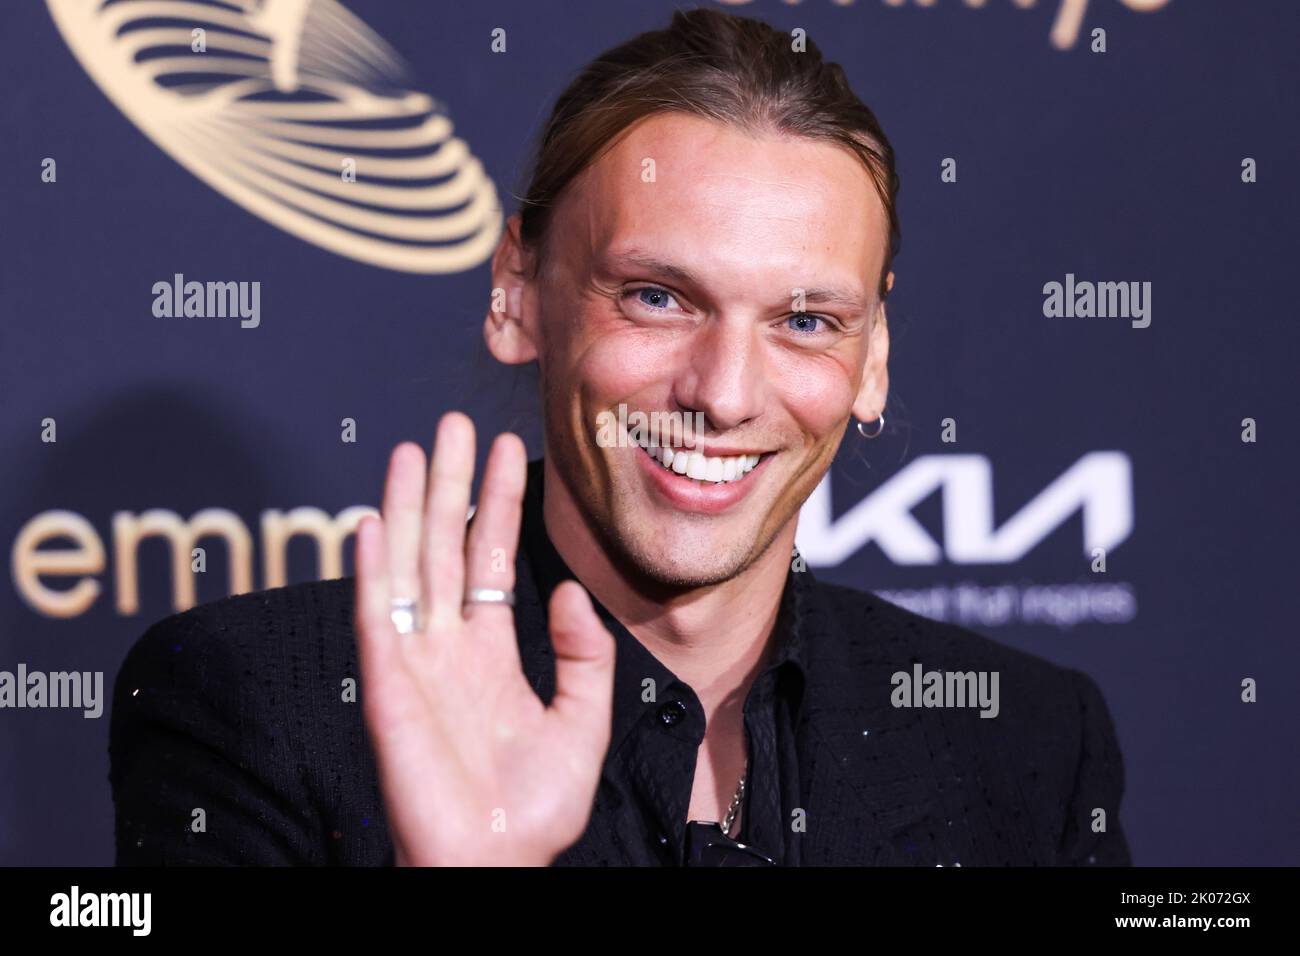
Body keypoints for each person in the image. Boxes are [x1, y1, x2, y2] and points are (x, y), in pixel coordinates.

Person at [110, 7, 1130, 866]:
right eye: (655, 296)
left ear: (871, 356)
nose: (724, 395)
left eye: (806, 320)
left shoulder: (1024, 743)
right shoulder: (257, 700)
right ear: (519, 292)